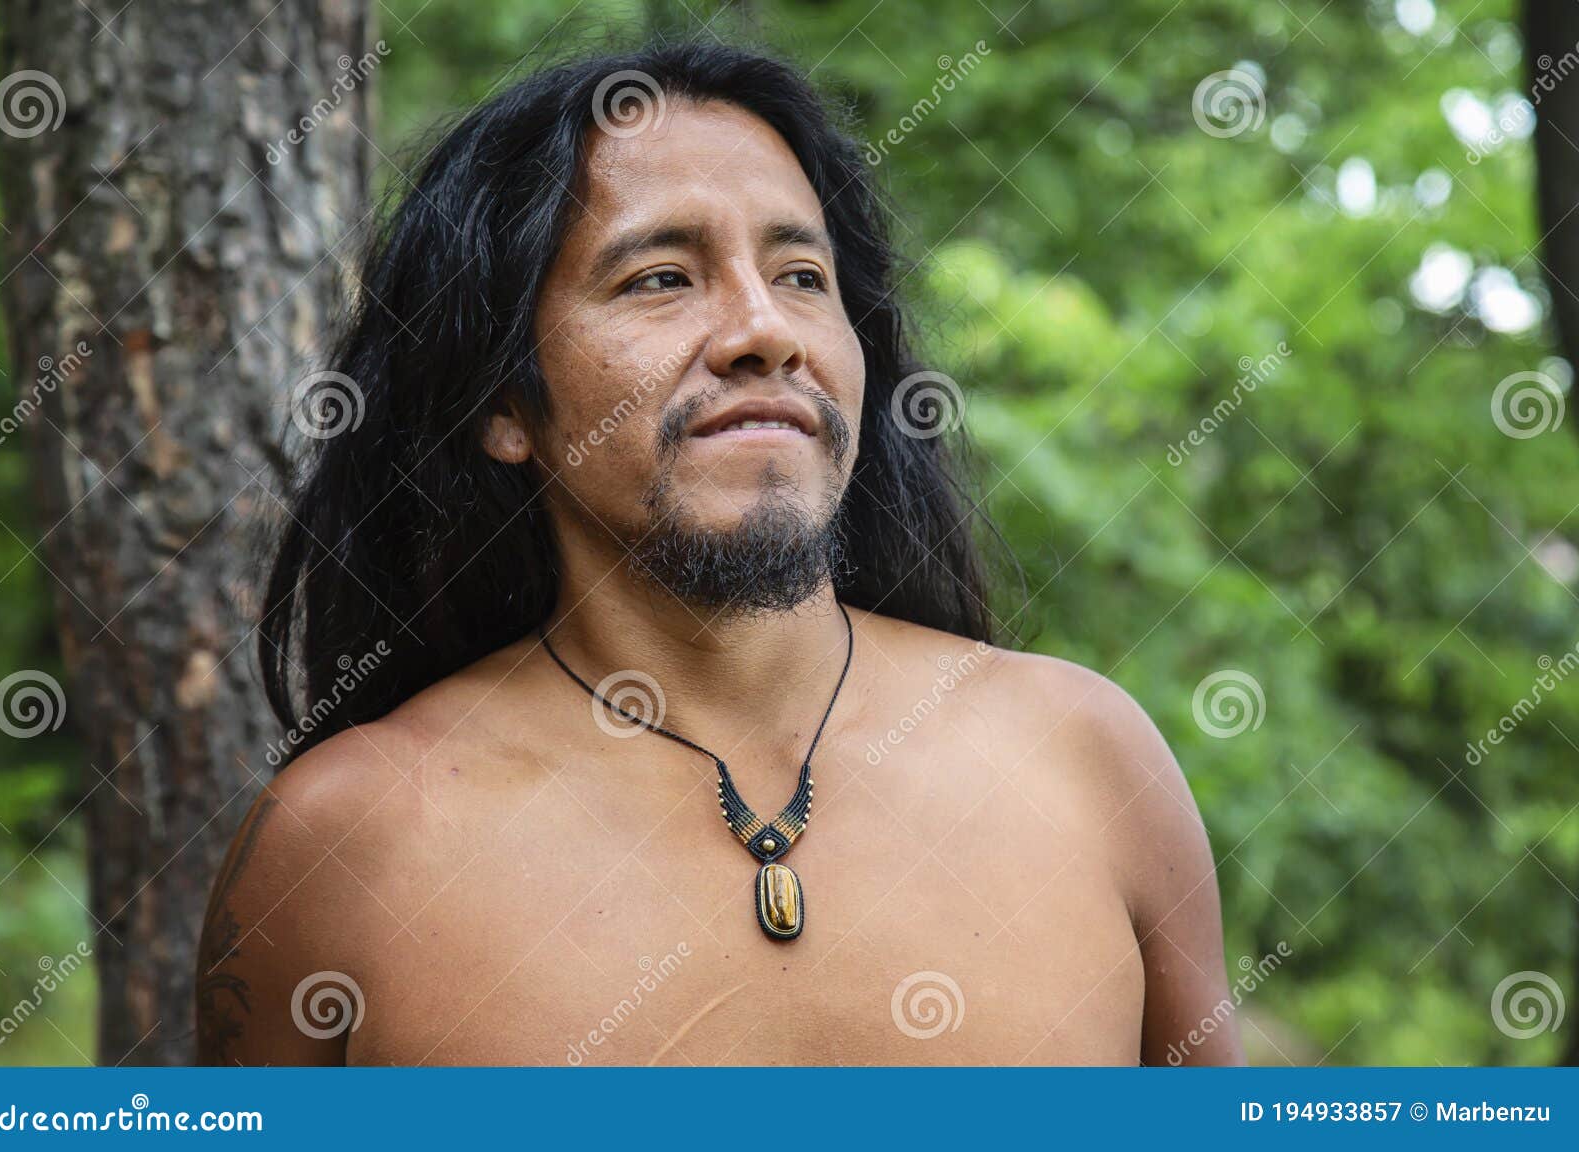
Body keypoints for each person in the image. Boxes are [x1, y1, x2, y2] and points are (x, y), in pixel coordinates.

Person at [195, 38, 1243, 1066]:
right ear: (503, 400)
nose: (763, 329)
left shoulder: (1086, 762)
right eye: (660, 278)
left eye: (799, 274)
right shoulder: (344, 846)